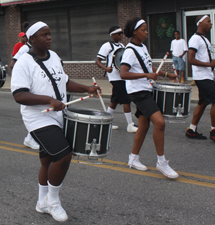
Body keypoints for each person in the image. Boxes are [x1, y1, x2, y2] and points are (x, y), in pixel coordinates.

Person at [11, 21, 101, 222]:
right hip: (37, 117)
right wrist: (49, 100)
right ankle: (53, 201)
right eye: (44, 35)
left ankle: (42, 201)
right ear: (32, 39)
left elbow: (64, 82)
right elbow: (19, 95)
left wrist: (87, 88)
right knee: (63, 156)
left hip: (58, 115)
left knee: (47, 160)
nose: (49, 38)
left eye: (50, 34)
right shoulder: (23, 63)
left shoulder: (55, 58)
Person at [120, 17, 179, 179]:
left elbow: (149, 68)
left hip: (146, 89)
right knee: (160, 123)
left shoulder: (143, 47)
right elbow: (123, 73)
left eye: (146, 29)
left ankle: (133, 158)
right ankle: (161, 162)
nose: (147, 32)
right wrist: (147, 74)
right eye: (144, 30)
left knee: (144, 127)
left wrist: (167, 74)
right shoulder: (130, 51)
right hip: (139, 92)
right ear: (134, 32)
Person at [185, 15, 215, 145]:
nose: (211, 24)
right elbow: (191, 60)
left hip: (207, 75)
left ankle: (191, 130)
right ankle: (214, 131)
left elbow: (204, 59)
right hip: (201, 78)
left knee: (202, 103)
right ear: (200, 23)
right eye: (208, 21)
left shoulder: (204, 39)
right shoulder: (195, 39)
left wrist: (213, 70)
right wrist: (210, 65)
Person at [96, 26, 138, 133]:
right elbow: (98, 60)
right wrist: (106, 68)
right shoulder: (106, 46)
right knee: (126, 99)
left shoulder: (121, 46)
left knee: (115, 100)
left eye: (122, 33)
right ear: (112, 35)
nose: (121, 35)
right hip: (115, 77)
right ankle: (130, 124)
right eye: (119, 33)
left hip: (122, 76)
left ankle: (106, 122)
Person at [9, 37, 39, 150]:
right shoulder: (25, 48)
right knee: (35, 113)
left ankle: (29, 138)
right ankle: (30, 139)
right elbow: (13, 64)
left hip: (38, 83)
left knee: (40, 113)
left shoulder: (39, 49)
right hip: (29, 85)